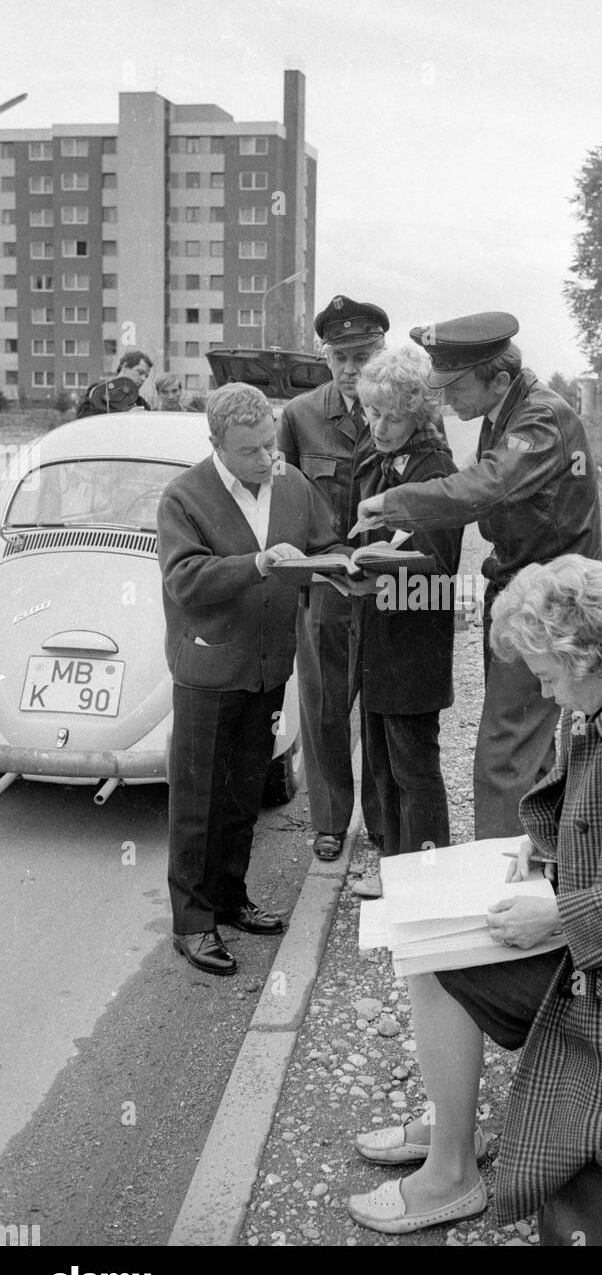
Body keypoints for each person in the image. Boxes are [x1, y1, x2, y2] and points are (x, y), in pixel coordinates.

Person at [346, 555, 602, 1234]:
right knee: (422, 945)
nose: (544, 693)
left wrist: (561, 916)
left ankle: (452, 1173)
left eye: (545, 675)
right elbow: (600, 817)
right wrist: (541, 854)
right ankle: (448, 1129)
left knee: (436, 960)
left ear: (580, 656)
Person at [353, 312, 602, 841]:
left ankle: (498, 889)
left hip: (550, 602)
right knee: (530, 755)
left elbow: (481, 489)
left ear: (499, 378)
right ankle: (539, 869)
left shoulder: (538, 420)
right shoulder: (506, 410)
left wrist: (392, 503)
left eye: (456, 387)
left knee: (503, 756)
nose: (445, 400)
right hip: (526, 589)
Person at [157, 382, 340, 976]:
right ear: (216, 445)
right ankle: (192, 922)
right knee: (197, 802)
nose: (267, 460)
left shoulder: (291, 484)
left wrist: (347, 565)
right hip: (209, 671)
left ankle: (231, 899)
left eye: (270, 445)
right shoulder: (184, 497)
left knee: (241, 796)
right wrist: (258, 563)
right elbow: (185, 579)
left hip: (267, 668)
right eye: (251, 451)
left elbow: (325, 542)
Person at [277, 295, 388, 861]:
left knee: (381, 707)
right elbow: (282, 503)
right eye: (341, 357)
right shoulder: (298, 417)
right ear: (326, 357)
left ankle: (381, 818)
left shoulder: (404, 410)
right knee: (323, 708)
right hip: (322, 589)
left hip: (386, 585)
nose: (352, 369)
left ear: (381, 352)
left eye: (363, 355)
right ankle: (329, 819)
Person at [349, 345, 463, 875]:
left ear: (418, 411)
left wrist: (374, 571)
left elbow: (438, 566)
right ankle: (397, 874)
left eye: (392, 416)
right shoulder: (374, 459)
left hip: (415, 641)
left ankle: (428, 879)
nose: (379, 425)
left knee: (415, 768)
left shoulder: (435, 468)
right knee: (383, 766)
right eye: (372, 412)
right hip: (377, 632)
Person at [76, 349, 153, 416]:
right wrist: (125, 415)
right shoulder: (99, 391)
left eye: (146, 376)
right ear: (125, 367)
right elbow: (85, 416)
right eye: (140, 372)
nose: (143, 379)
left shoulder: (141, 403)